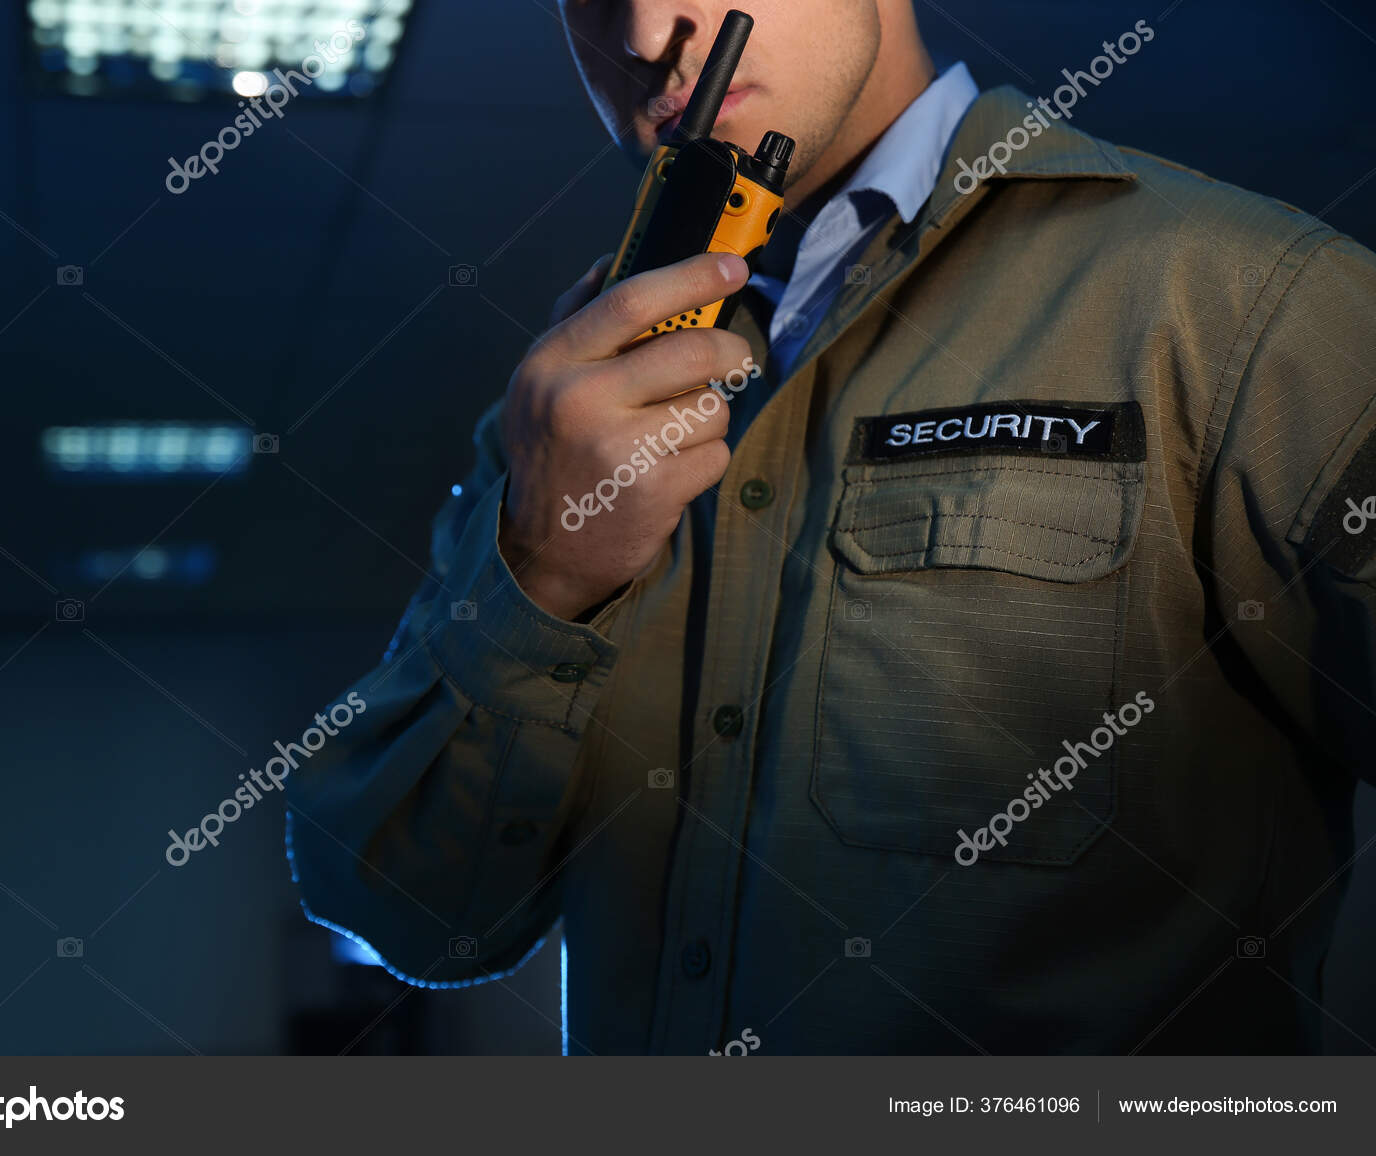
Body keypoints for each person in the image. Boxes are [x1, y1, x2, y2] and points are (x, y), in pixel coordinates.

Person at [285, 0, 1376, 1054]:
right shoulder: (559, 415)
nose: (638, 31)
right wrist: (545, 570)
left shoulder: (1246, 305)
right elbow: (406, 915)